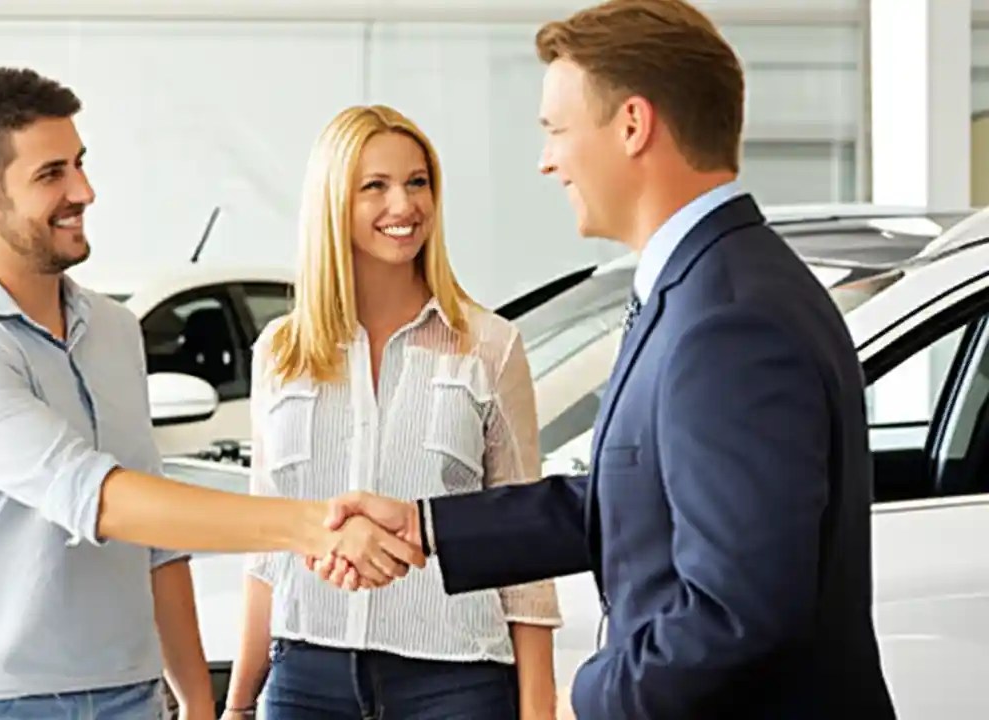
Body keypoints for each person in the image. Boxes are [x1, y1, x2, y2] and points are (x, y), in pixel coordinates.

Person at [314, 1, 898, 718]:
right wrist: (426, 527)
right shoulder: (708, 286)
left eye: (557, 130)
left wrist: (591, 698)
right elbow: (631, 496)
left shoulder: (730, 319)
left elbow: (737, 609)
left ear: (631, 125)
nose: (546, 159)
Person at [0, 66, 424, 720]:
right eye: (51, 174)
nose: (84, 190)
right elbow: (97, 496)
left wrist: (198, 700)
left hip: (132, 697)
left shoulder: (114, 330)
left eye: (80, 163)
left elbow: (154, 538)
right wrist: (314, 526)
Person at [219, 105, 562, 720]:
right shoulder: (282, 351)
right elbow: (266, 542)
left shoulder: (489, 346)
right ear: (332, 203)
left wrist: (537, 711)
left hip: (456, 684)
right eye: (374, 186)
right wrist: (240, 704)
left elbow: (527, 549)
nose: (403, 206)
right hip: (305, 677)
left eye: (417, 182)